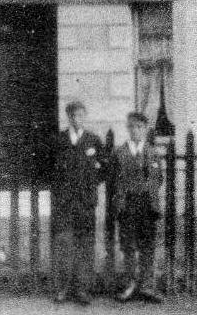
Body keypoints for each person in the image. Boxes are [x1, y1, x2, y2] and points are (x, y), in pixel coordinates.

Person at [52, 99, 105, 305]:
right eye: (74, 116)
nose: (77, 119)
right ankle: (62, 289)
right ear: (68, 117)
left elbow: (103, 168)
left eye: (81, 115)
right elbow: (50, 169)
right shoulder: (59, 140)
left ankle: (83, 289)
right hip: (64, 203)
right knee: (64, 244)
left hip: (85, 202)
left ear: (85, 117)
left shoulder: (94, 140)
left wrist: (89, 185)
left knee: (85, 245)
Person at [113, 111, 163, 303]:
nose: (135, 130)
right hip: (127, 205)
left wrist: (145, 189)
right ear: (128, 129)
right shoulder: (119, 153)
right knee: (128, 247)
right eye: (132, 127)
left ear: (145, 129)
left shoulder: (153, 152)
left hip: (147, 206)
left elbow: (158, 178)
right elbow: (114, 180)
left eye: (140, 127)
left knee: (148, 246)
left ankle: (147, 286)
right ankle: (130, 285)